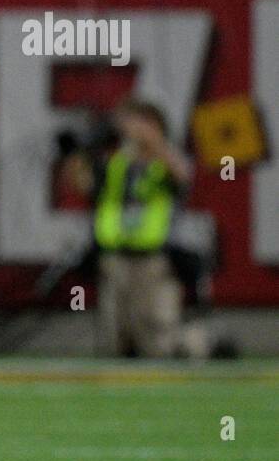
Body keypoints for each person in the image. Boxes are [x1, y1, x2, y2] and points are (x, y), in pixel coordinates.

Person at [63, 99, 197, 358]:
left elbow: (183, 175)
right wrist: (79, 149)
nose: (130, 130)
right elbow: (80, 183)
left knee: (158, 338)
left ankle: (196, 344)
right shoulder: (116, 164)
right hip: (114, 260)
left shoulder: (165, 161)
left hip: (155, 262)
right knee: (115, 338)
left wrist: (152, 141)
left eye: (138, 122)